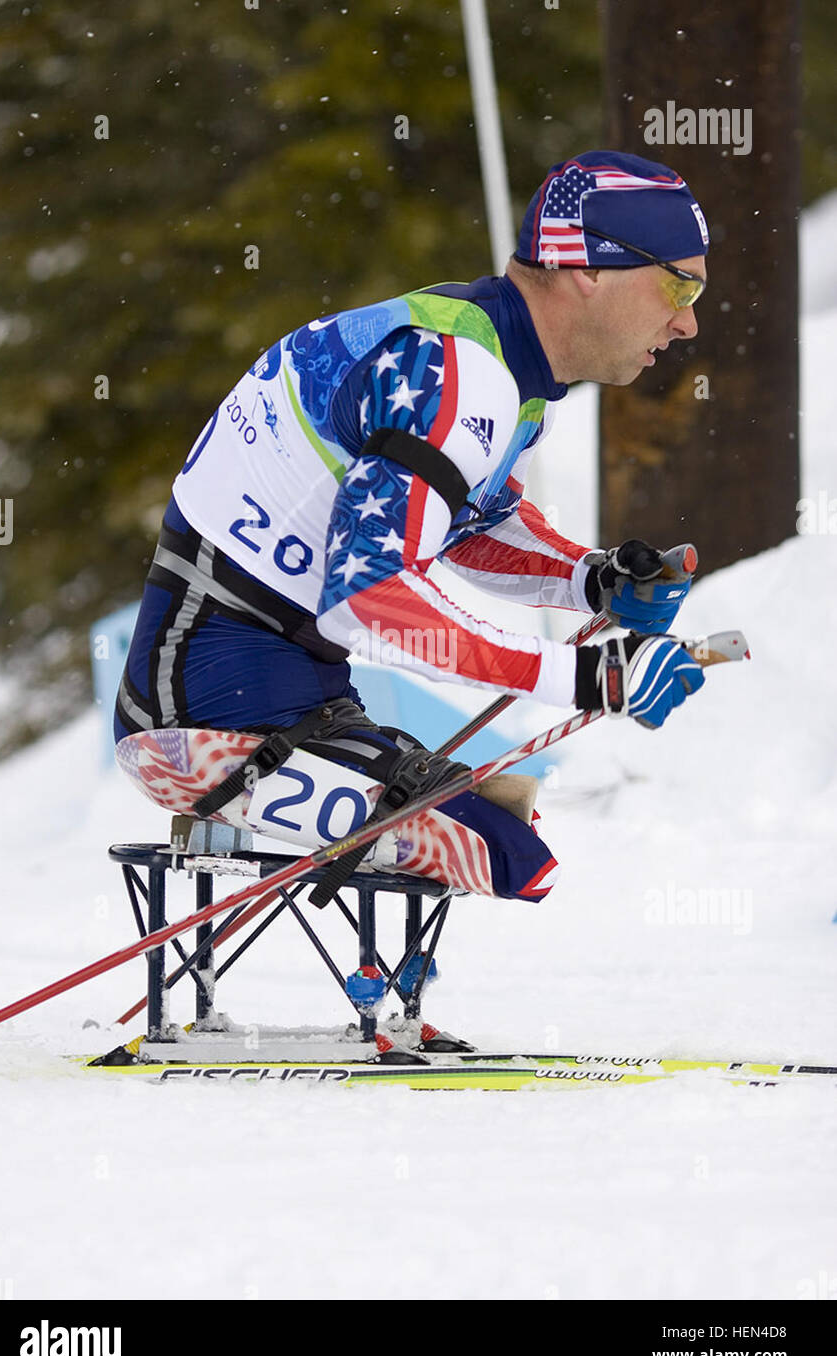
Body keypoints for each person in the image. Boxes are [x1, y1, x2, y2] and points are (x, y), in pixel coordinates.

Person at [115, 150, 708, 908]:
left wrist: (590, 579)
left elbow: (466, 528)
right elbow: (369, 603)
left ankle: (386, 1018)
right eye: (676, 283)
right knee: (505, 853)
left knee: (505, 830)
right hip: (192, 727)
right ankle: (373, 1019)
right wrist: (592, 679)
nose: (686, 320)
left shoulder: (494, 361)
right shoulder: (452, 371)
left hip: (289, 703)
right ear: (587, 267)